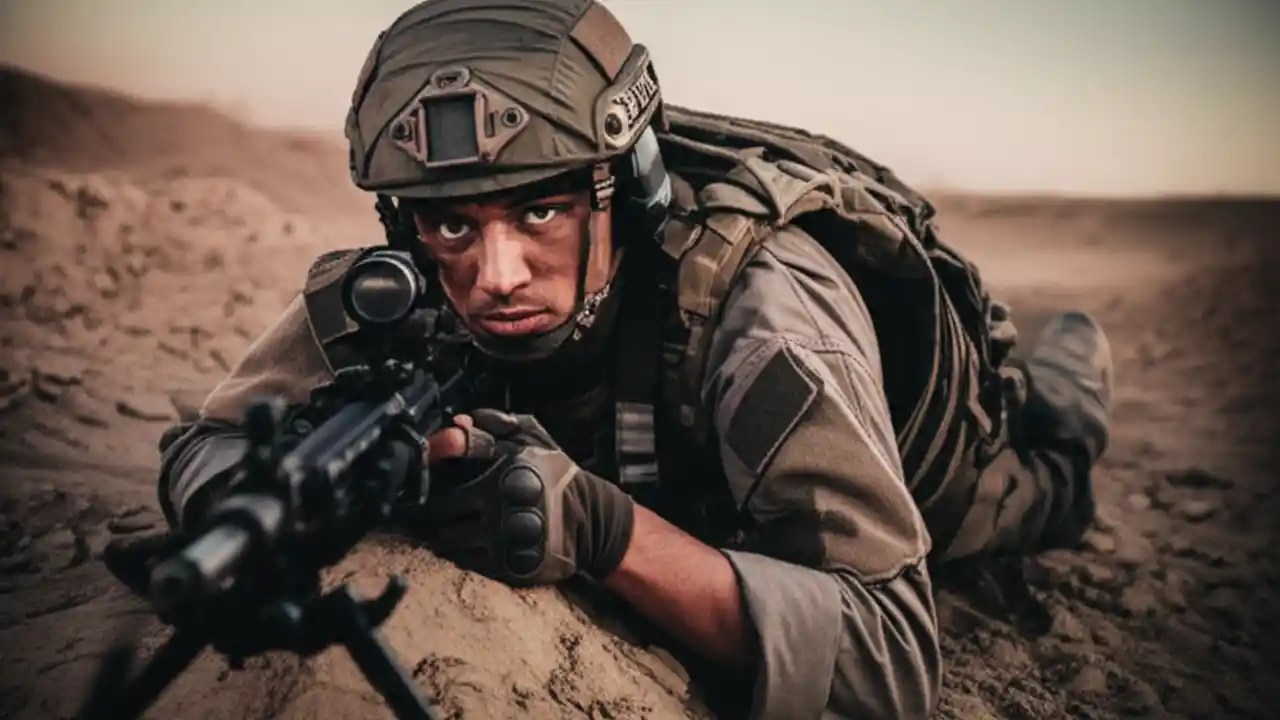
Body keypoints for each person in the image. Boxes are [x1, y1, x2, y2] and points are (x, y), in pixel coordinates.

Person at [155, 1, 1113, 717]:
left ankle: (1072, 392)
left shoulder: (763, 313)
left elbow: (893, 657)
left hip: (932, 468)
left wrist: (603, 531)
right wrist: (317, 484)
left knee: (1045, 494)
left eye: (540, 210)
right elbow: (204, 445)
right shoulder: (401, 288)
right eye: (451, 224)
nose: (493, 276)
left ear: (631, 188)